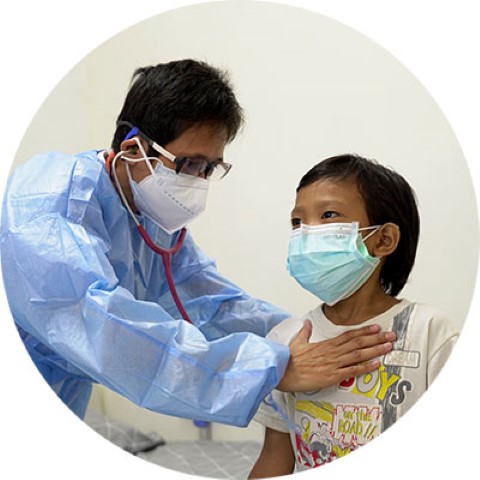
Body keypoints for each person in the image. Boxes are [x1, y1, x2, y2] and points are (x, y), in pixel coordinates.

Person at [0, 60, 396, 427]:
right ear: (133, 150)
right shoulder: (47, 207)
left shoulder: (148, 217)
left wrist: (297, 333)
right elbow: (107, 331)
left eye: (210, 168)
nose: (199, 181)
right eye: (190, 164)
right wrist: (272, 367)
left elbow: (208, 300)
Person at [249, 154, 459, 476]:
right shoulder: (285, 340)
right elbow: (276, 457)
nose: (306, 234)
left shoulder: (429, 331)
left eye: (328, 215)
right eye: (297, 222)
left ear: (383, 240)